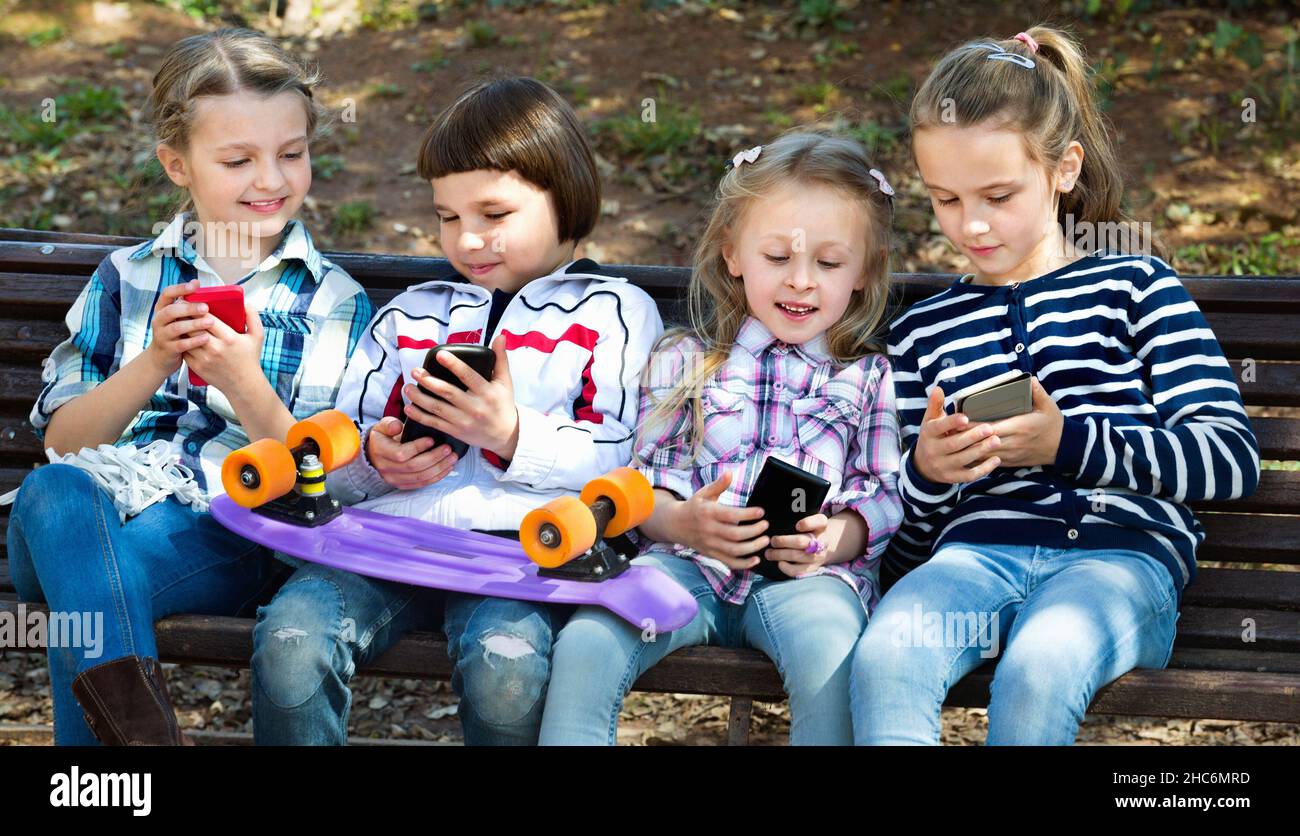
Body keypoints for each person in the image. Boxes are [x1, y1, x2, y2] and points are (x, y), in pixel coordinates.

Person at [851, 26, 1261, 745]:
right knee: (887, 655)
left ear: (1064, 168)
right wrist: (927, 476)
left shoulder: (1135, 286)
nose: (971, 224)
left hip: (1117, 561)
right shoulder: (925, 330)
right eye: (945, 198)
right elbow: (907, 549)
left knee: (1039, 667)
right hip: (974, 559)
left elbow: (1230, 459)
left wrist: (1069, 443)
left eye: (998, 195)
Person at [249, 76, 663, 745]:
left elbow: (619, 459)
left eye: (493, 216)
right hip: (381, 543)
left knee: (508, 667)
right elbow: (339, 448)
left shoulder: (612, 311)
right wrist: (376, 462)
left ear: (566, 198)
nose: (467, 241)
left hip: (522, 553)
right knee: (293, 641)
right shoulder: (412, 314)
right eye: (447, 218)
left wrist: (511, 434)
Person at [4, 28, 373, 745]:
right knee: (56, 493)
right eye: (238, 159)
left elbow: (326, 482)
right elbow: (63, 442)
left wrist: (242, 381)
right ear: (177, 164)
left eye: (291, 154)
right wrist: (151, 364)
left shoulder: (331, 299)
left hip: (221, 527)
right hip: (70, 521)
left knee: (88, 608)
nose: (270, 180)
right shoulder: (128, 278)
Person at [540, 131, 902, 745]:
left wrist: (836, 539)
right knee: (587, 642)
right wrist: (682, 523)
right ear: (733, 253)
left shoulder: (867, 377)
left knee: (833, 660)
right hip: (686, 567)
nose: (802, 282)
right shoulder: (684, 360)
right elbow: (642, 482)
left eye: (830, 263)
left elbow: (885, 492)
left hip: (806, 583)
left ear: (863, 270)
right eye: (777, 258)